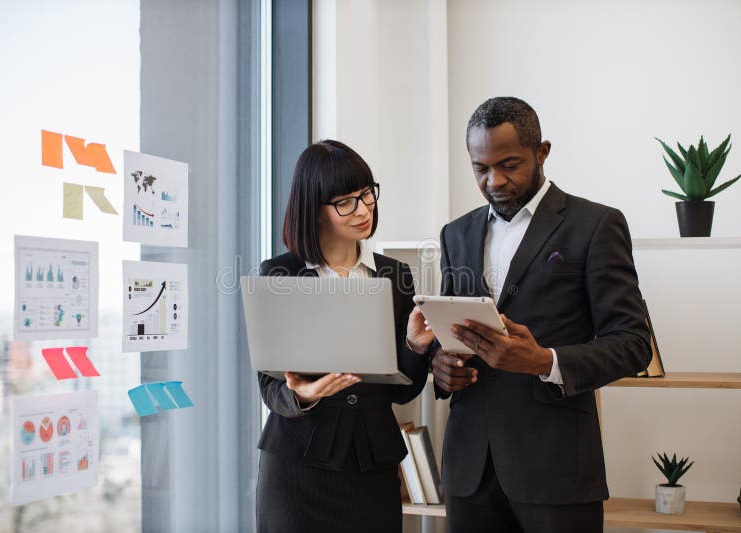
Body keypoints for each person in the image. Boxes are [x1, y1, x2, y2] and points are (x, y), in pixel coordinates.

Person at [430, 97, 652, 533]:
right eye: (480, 168)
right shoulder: (455, 234)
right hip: (469, 470)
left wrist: (545, 362)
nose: (495, 180)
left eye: (509, 164)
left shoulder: (595, 225)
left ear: (542, 152)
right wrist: (442, 367)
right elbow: (451, 333)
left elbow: (633, 343)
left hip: (557, 470)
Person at [255, 139, 434, 533]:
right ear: (313, 210)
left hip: (371, 465)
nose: (363, 209)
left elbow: (402, 392)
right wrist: (303, 394)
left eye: (366, 194)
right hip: (297, 468)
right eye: (345, 202)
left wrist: (415, 347)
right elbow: (269, 386)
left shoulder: (394, 275)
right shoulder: (280, 275)